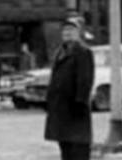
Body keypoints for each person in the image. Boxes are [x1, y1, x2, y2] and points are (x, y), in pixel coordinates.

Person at [44, 16, 95, 160]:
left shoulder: (83, 52)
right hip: (61, 109)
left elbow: (85, 79)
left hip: (75, 109)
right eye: (65, 30)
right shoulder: (60, 52)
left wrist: (80, 101)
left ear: (78, 33)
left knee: (78, 149)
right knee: (66, 149)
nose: (67, 33)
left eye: (71, 30)